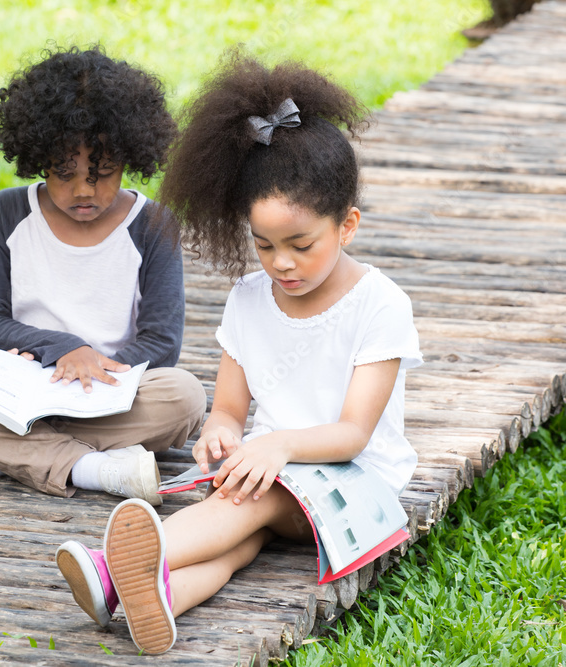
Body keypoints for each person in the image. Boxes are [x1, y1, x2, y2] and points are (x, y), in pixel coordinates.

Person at [54, 52, 422, 654]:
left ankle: (108, 564)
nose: (281, 263)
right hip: (267, 473)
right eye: (264, 245)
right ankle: (151, 596)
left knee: (247, 500)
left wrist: (275, 445)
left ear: (347, 225)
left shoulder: (379, 304)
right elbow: (228, 407)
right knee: (238, 539)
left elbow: (355, 433)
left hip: (352, 486)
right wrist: (222, 435)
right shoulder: (250, 300)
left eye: (301, 245)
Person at [0, 45, 207, 504]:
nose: (84, 190)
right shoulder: (7, 212)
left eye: (102, 173)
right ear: (38, 157)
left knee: (185, 397)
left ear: (128, 158)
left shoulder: (153, 224)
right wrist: (64, 351)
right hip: (21, 383)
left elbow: (162, 341)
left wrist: (96, 372)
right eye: (65, 174)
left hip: (109, 392)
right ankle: (90, 468)